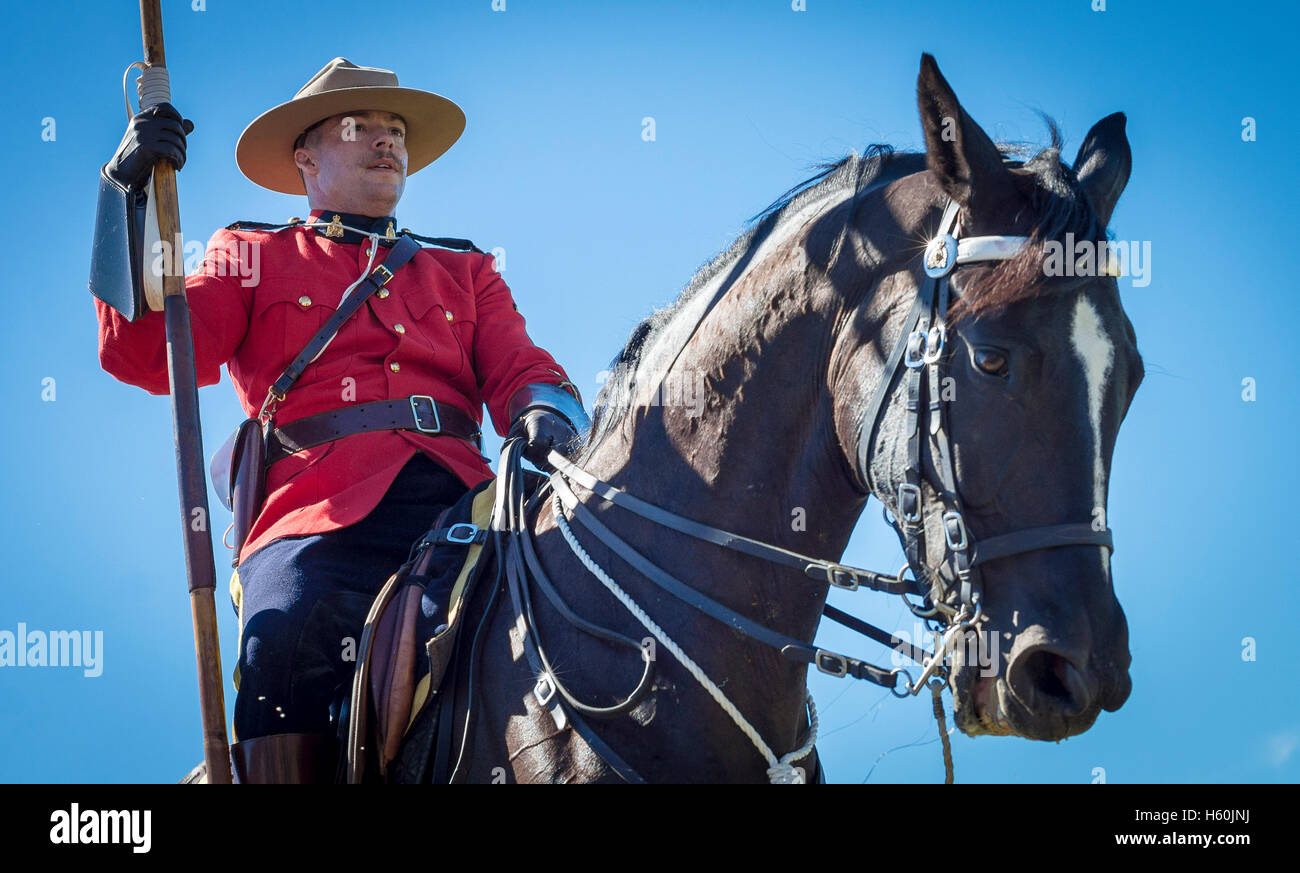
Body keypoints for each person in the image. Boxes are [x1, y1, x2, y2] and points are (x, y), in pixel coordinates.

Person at [89, 58, 589, 783]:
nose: (387, 142)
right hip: (319, 518)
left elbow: (521, 366)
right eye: (362, 127)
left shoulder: (464, 269)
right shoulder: (253, 254)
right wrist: (125, 193)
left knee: (592, 589)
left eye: (396, 130)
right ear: (306, 156)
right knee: (280, 638)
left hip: (464, 504)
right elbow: (142, 350)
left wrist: (547, 410)